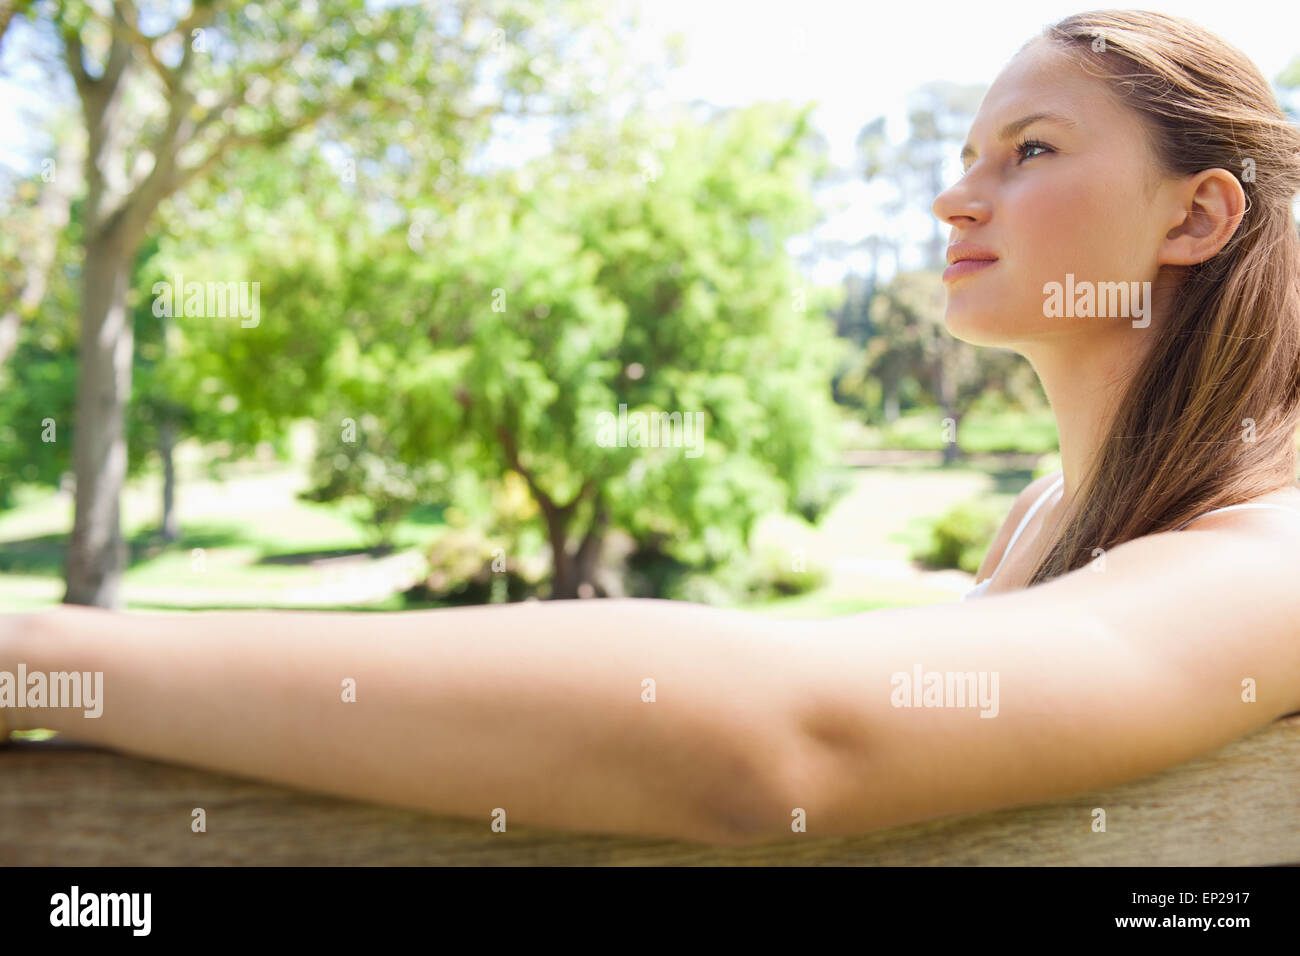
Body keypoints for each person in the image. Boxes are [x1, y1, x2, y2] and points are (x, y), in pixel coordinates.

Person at [4, 9, 1300, 849]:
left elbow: (789, 744)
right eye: (965, 152)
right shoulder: (1044, 517)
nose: (956, 198)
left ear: (1195, 218)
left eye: (1028, 150)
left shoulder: (1270, 557)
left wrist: (52, 658)